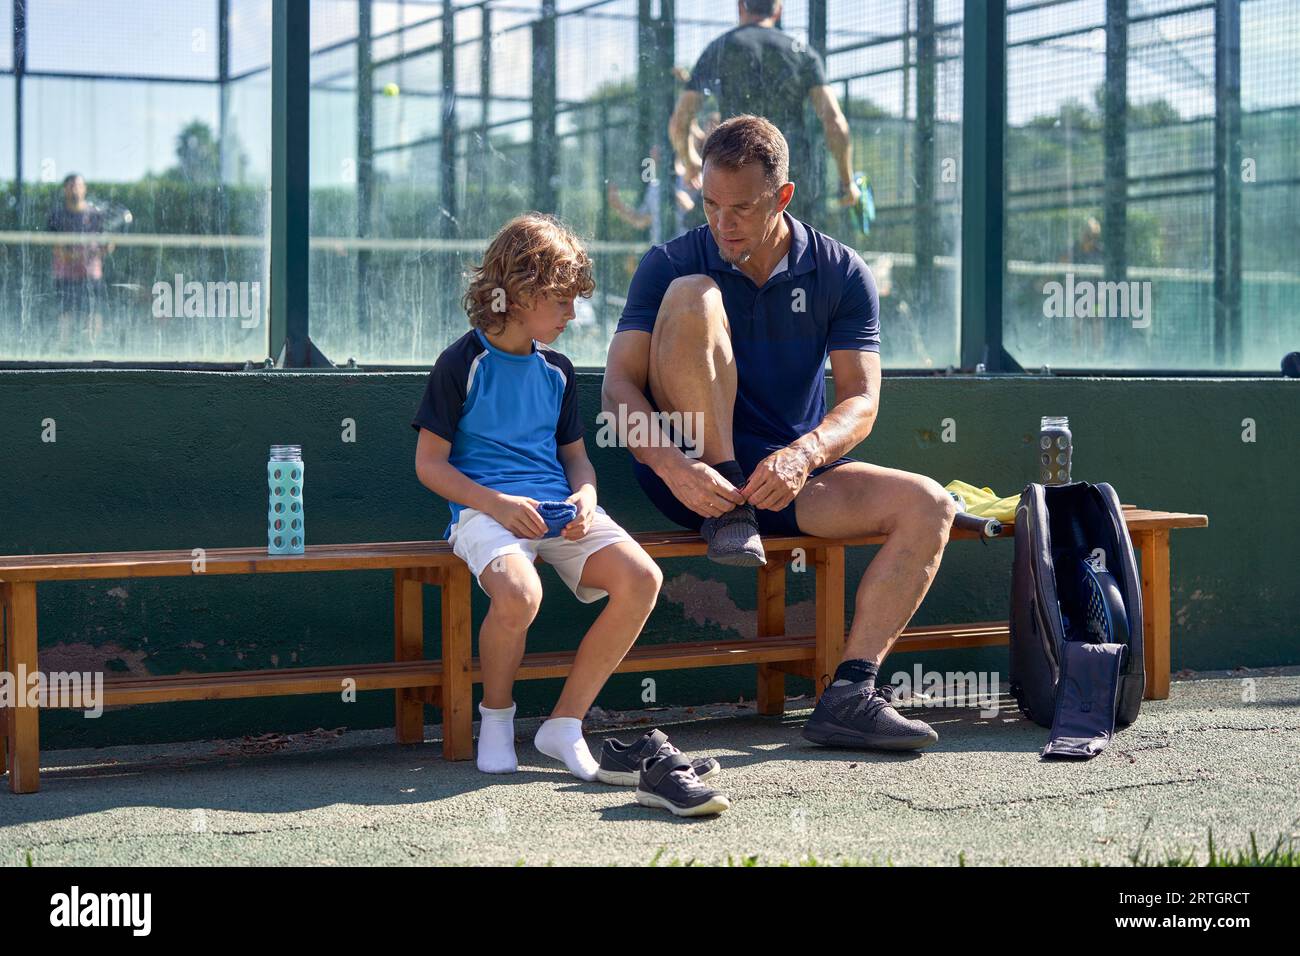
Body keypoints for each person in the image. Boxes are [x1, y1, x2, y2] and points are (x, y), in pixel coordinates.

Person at [602, 116, 956, 752]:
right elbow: (617, 391)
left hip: (788, 481)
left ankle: (851, 693)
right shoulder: (670, 262)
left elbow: (861, 399)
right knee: (694, 294)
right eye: (711, 204)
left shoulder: (842, 272)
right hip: (692, 482)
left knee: (930, 504)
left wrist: (804, 454)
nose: (722, 223)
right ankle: (726, 504)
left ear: (783, 197)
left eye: (741, 208)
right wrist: (675, 469)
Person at [411, 213, 664, 780]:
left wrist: (588, 499)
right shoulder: (461, 363)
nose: (574, 315)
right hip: (484, 514)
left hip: (559, 512)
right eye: (562, 301)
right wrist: (498, 505)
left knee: (643, 579)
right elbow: (429, 466)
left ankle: (564, 725)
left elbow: (576, 457)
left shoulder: (559, 370)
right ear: (521, 294)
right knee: (520, 596)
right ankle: (496, 718)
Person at [668, 0, 860, 228]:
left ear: (741, 6)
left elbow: (680, 121)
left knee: (715, 247)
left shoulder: (721, 47)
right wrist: (847, 182)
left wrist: (690, 161)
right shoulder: (802, 53)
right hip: (789, 176)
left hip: (734, 171)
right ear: (778, 11)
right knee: (796, 249)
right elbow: (835, 122)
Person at [47, 173, 109, 348]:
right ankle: (62, 349)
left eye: (78, 185)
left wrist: (107, 247)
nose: (75, 189)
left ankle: (93, 349)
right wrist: (81, 256)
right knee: (64, 313)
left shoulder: (96, 215)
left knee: (93, 312)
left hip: (91, 275)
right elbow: (57, 248)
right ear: (65, 189)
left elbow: (106, 243)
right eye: (71, 185)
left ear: (85, 188)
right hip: (64, 274)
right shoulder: (56, 215)